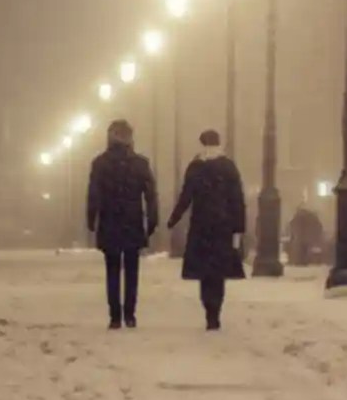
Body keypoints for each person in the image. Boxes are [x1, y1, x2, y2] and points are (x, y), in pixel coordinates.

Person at [166, 129, 246, 330]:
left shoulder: (196, 167)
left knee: (204, 273)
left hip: (201, 226)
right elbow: (237, 200)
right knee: (218, 273)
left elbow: (186, 196)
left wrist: (173, 218)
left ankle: (208, 307)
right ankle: (215, 310)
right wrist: (239, 227)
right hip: (223, 227)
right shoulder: (228, 167)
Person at [86, 119, 159, 330]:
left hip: (110, 221)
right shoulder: (140, 163)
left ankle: (115, 315)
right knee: (132, 271)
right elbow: (151, 195)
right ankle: (130, 314)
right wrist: (151, 220)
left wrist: (92, 219)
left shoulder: (100, 163)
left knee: (112, 270)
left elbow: (93, 195)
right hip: (132, 221)